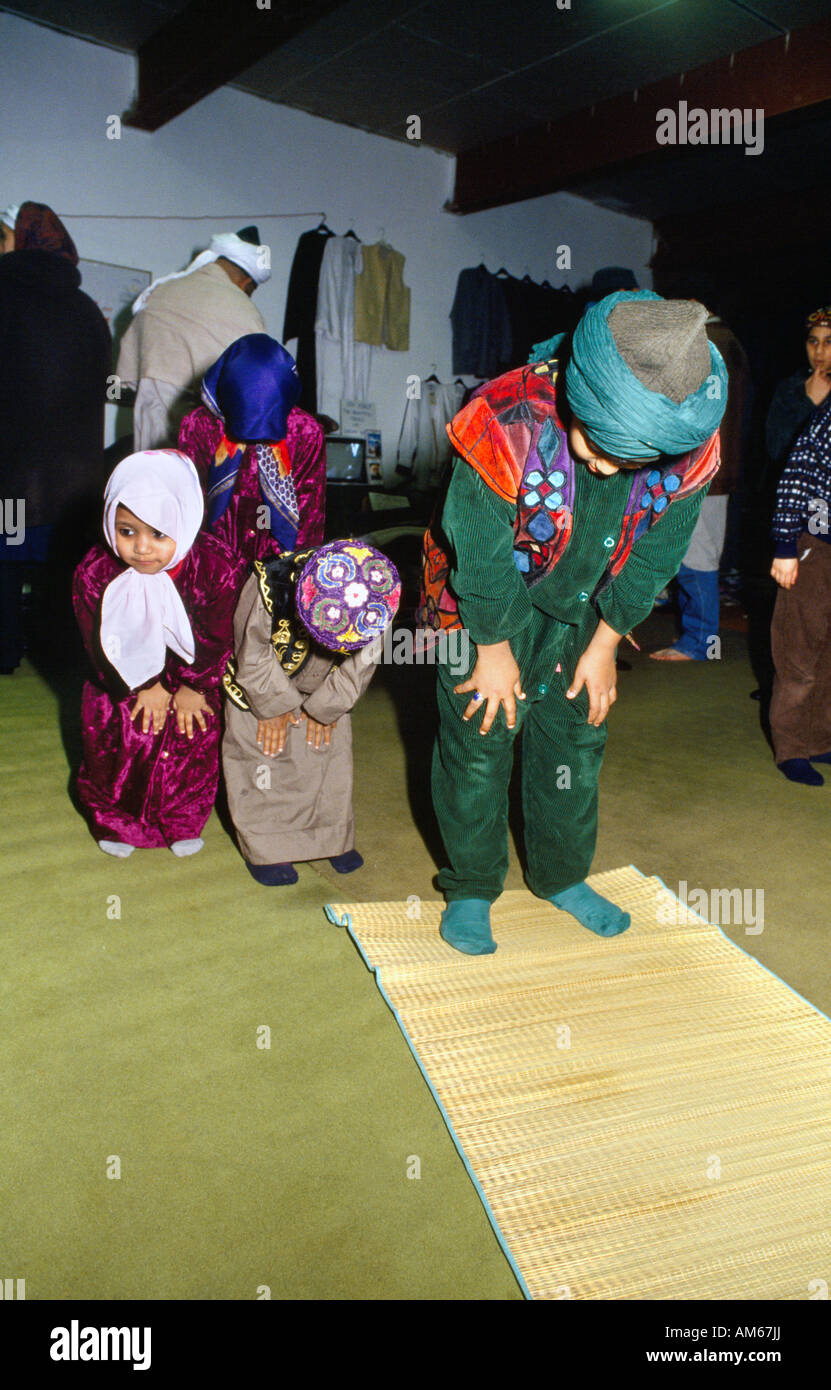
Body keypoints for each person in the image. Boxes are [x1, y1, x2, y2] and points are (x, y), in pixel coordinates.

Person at [419, 290, 727, 955]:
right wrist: (492, 649)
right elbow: (474, 544)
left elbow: (656, 552)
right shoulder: (504, 414)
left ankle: (560, 876)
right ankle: (471, 884)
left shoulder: (690, 440)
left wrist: (606, 642)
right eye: (600, 446)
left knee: (576, 745)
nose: (608, 468)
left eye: (632, 460)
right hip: (482, 602)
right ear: (576, 399)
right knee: (478, 741)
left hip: (585, 606)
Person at [72, 450, 243, 856]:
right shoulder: (95, 571)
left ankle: (181, 819)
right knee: (121, 743)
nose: (142, 549)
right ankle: (116, 822)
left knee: (191, 738)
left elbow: (220, 634)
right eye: (127, 532)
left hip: (195, 677)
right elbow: (96, 645)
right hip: (122, 679)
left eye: (159, 534)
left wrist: (194, 685)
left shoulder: (216, 566)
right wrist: (144, 684)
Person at [222, 540, 400, 885]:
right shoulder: (268, 585)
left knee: (329, 758)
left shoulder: (378, 594)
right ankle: (266, 846)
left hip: (326, 681)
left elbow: (363, 662)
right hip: (258, 683)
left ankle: (330, 837)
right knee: (264, 759)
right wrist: (275, 705)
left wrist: (327, 707)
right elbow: (252, 653)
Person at [0, 201, 111, 672]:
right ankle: (63, 658)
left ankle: (3, 652)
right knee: (64, 570)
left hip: (12, 475)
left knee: (4, 561)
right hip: (76, 481)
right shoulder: (88, 311)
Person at [651, 308, 750, 661]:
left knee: (698, 557)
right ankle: (700, 638)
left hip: (700, 469)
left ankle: (700, 642)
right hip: (717, 468)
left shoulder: (706, 344)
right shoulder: (729, 340)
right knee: (700, 554)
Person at [177, 334, 326, 567]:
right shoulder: (199, 426)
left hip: (277, 554)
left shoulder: (305, 432)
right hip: (215, 551)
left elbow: (310, 508)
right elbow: (189, 500)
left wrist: (298, 567)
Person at [116, 226, 271, 450]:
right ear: (246, 283)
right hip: (204, 422)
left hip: (152, 413)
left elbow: (126, 380)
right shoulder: (242, 307)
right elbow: (259, 386)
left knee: (154, 481)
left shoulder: (159, 293)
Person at [768, 394, 831, 785]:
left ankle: (820, 739)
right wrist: (786, 545)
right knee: (799, 648)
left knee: (827, 654)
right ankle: (791, 748)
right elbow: (797, 475)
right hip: (815, 544)